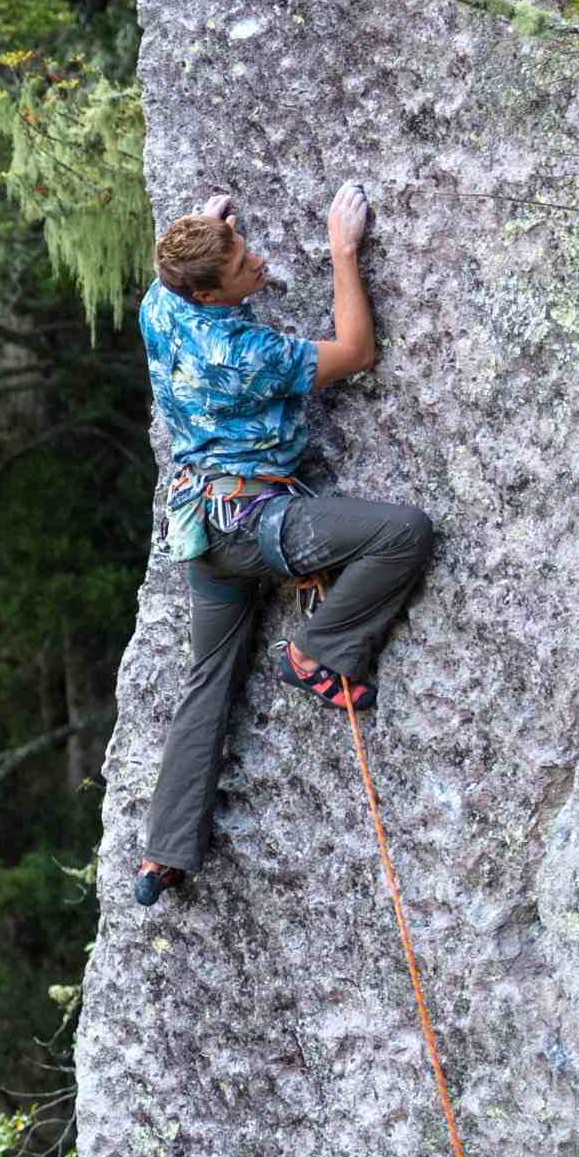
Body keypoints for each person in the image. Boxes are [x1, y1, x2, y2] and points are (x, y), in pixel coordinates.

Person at [132, 183, 433, 908]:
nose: (257, 261)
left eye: (243, 247)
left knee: (209, 678)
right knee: (404, 532)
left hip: (201, 526)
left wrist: (207, 226)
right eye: (242, 265)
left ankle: (163, 854)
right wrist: (343, 250)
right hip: (255, 524)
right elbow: (356, 352)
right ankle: (319, 653)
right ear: (210, 295)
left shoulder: (159, 305)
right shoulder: (245, 354)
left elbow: (183, 269)